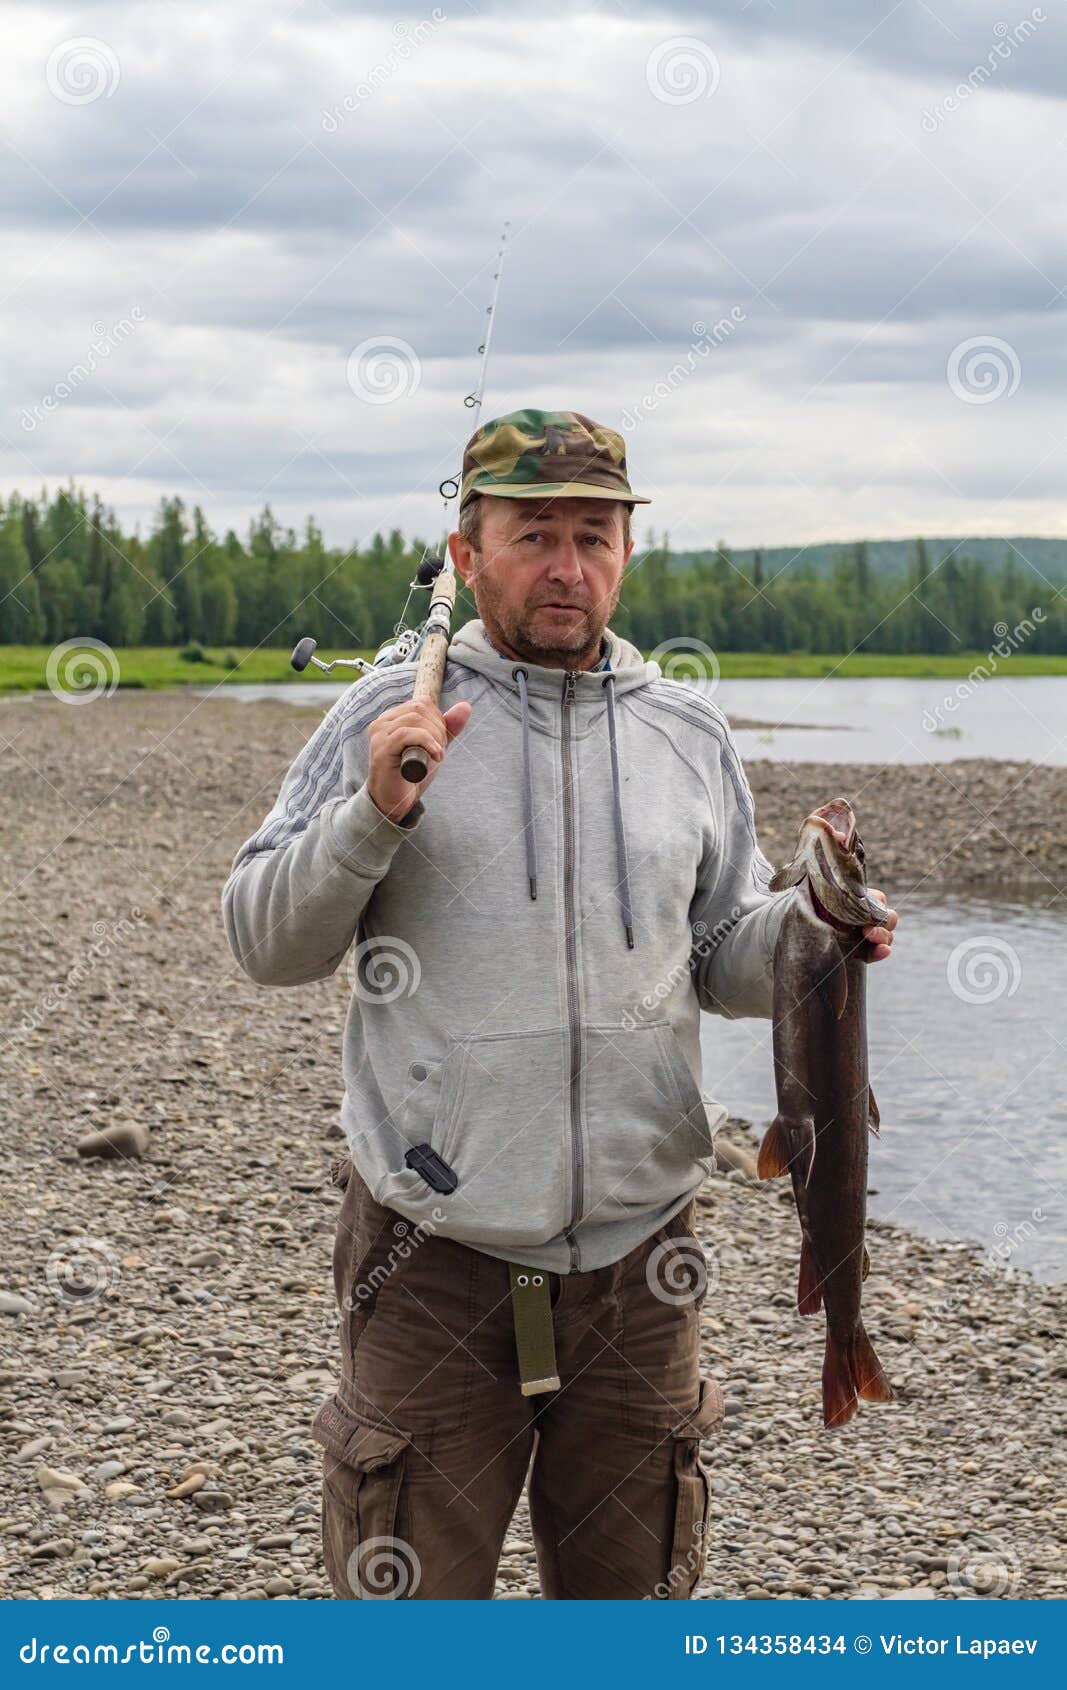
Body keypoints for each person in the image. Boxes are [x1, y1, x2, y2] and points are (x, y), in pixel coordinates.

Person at [221, 408, 897, 1600]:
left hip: (643, 1272)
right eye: (533, 533)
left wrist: (809, 933)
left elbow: (717, 952)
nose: (567, 565)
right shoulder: (389, 713)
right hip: (429, 1265)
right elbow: (265, 941)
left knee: (624, 1626)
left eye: (594, 534)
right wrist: (368, 817)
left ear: (627, 551)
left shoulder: (684, 730)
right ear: (465, 551)